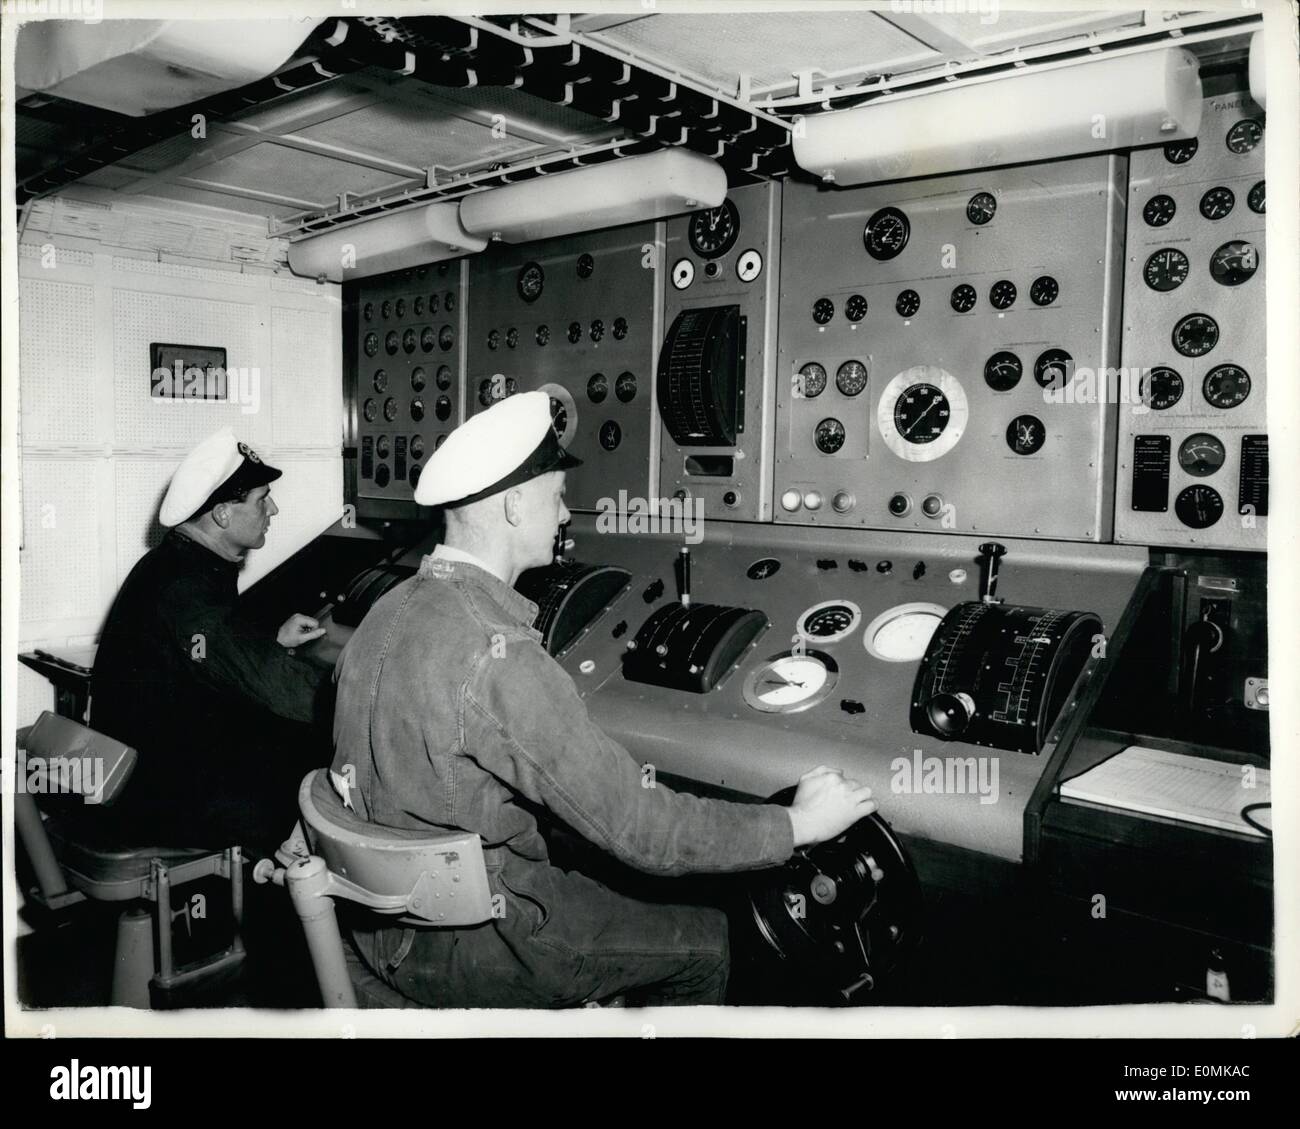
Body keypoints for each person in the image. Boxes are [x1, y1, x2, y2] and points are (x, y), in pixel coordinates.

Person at [331, 392, 877, 1007]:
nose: (565, 515)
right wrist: (799, 825)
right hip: (480, 941)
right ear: (514, 505)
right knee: (709, 941)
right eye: (557, 495)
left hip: (376, 929)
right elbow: (645, 833)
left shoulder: (387, 609)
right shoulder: (497, 655)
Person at [89, 427, 331, 854]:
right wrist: (365, 691)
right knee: (324, 764)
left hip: (152, 774)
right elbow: (281, 689)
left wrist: (268, 644)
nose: (273, 509)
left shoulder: (177, 564)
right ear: (221, 514)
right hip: (164, 800)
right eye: (262, 499)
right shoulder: (187, 587)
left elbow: (203, 655)